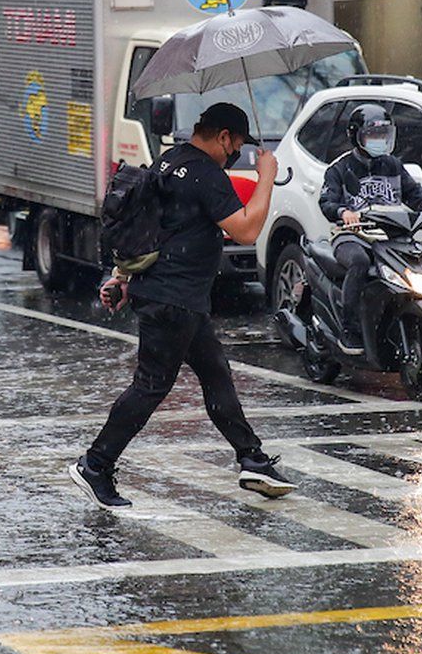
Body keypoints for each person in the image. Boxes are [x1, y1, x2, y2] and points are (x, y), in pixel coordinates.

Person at [69, 103, 296, 509]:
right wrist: (266, 177)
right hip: (174, 299)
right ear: (224, 136)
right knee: (151, 386)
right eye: (235, 147)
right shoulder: (207, 174)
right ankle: (95, 464)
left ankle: (252, 459)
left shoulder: (168, 160)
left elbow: (148, 227)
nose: (233, 155)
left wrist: (122, 277)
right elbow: (246, 230)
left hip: (176, 297)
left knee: (216, 375)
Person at [319, 103, 422, 354]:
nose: (378, 140)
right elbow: (327, 202)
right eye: (372, 135)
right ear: (356, 136)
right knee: (359, 262)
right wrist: (343, 212)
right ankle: (350, 329)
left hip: (389, 236)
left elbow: (416, 195)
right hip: (352, 237)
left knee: (419, 259)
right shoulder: (340, 168)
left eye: (383, 135)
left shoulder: (392, 165)